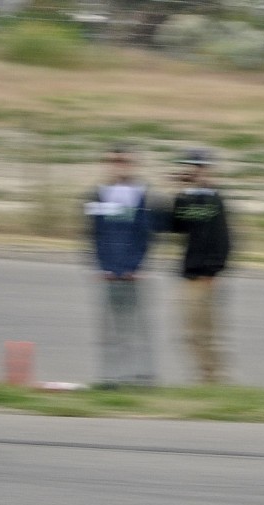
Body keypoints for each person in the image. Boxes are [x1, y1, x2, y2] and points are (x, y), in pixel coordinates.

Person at [84, 143, 157, 388]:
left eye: (124, 161)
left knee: (135, 328)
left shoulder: (140, 194)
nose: (118, 166)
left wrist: (136, 266)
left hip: (131, 273)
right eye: (114, 161)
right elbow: (94, 232)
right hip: (108, 272)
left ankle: (141, 377)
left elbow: (145, 234)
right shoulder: (99, 194)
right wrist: (101, 266)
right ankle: (110, 377)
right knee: (110, 330)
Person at [165, 148, 232, 384]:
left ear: (208, 170)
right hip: (189, 275)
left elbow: (224, 240)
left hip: (205, 277)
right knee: (190, 332)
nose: (194, 171)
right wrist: (178, 193)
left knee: (205, 331)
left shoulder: (215, 200)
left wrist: (213, 271)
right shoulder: (188, 198)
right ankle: (207, 376)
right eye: (191, 167)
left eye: (199, 167)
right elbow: (175, 226)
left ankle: (213, 377)